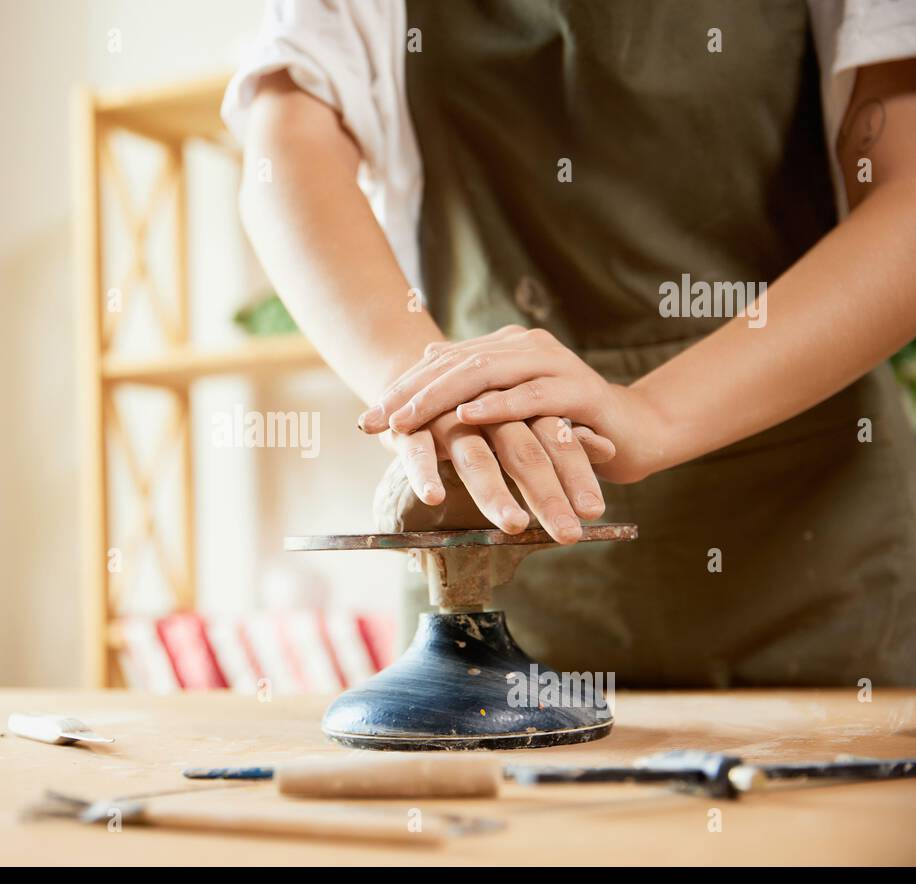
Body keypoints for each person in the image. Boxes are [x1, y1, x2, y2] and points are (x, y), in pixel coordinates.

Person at [223, 0, 916, 686]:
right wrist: (433, 394)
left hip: (814, 552)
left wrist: (650, 413)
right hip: (498, 550)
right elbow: (286, 149)